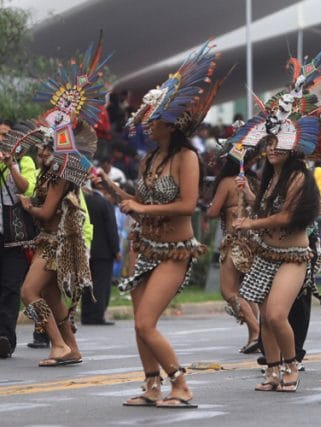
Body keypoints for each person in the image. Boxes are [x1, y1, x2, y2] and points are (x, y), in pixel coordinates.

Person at [99, 41, 224, 408]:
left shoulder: (187, 157)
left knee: (144, 323)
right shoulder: (149, 159)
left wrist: (141, 206)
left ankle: (181, 384)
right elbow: (144, 205)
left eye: (153, 119)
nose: (146, 124)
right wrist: (116, 194)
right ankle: (152, 387)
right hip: (145, 246)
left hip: (174, 251)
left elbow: (186, 205)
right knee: (140, 322)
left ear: (171, 124)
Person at [234, 40, 321, 392]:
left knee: (277, 314)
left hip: (293, 255)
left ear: (292, 146)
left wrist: (250, 222)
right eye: (270, 142)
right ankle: (273, 369)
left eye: (279, 143)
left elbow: (284, 218)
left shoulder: (297, 177)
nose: (273, 148)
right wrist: (246, 194)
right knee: (265, 318)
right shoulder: (268, 176)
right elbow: (264, 208)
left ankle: (292, 365)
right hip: (266, 253)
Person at [18, 35, 107, 367]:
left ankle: (57, 344)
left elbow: (46, 210)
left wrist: (27, 205)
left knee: (29, 292)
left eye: (43, 148)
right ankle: (72, 347)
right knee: (53, 298)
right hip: (49, 241)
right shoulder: (52, 172)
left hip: (56, 243)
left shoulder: (60, 175)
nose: (39, 152)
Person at [206, 145, 260, 354]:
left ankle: (257, 332)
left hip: (235, 241)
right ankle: (254, 336)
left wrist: (209, 203)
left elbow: (212, 212)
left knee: (229, 291)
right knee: (247, 293)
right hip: (254, 241)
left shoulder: (228, 183)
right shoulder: (253, 182)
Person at [0, 123, 38, 358]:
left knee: (10, 288)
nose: (2, 139)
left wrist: (11, 164)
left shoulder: (25, 161)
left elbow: (27, 189)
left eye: (5, 135)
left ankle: (5, 337)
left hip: (16, 236)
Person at [81, 185, 120, 325]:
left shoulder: (82, 200)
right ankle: (97, 315)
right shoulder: (104, 203)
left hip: (85, 248)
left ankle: (86, 314)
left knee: (87, 285)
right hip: (103, 252)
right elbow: (111, 228)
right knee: (101, 285)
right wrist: (116, 250)